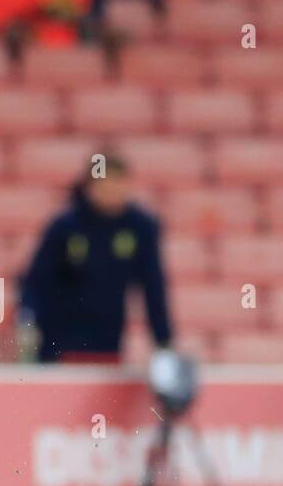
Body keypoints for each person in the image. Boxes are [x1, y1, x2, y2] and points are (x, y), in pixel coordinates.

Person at [18, 154, 173, 363]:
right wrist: (28, 318)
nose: (111, 192)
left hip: (108, 337)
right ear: (89, 186)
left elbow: (153, 286)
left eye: (117, 183)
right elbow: (37, 279)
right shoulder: (66, 225)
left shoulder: (140, 227)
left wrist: (163, 342)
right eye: (104, 184)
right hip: (59, 337)